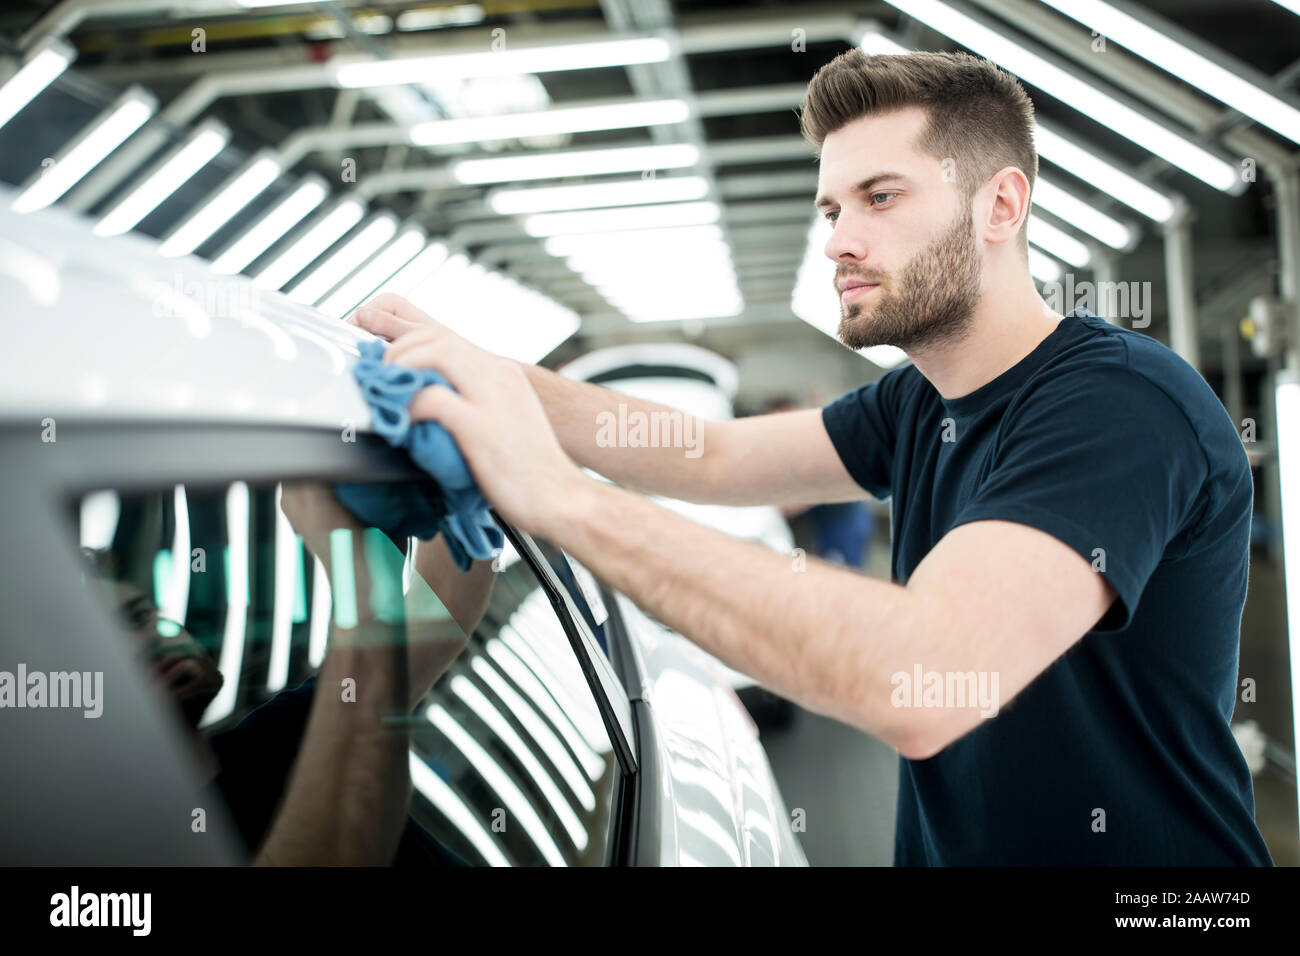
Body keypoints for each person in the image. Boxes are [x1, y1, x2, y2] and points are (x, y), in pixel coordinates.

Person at [347, 50, 1272, 865]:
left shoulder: (1119, 405)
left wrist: (557, 497)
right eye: (830, 207)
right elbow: (706, 454)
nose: (837, 241)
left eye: (881, 197)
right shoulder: (921, 398)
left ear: (1002, 204)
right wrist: (487, 376)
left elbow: (922, 679)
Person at [86, 482, 493, 865]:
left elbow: (439, 614)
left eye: (137, 616)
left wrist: (456, 493)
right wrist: (358, 579)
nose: (138, 645)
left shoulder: (273, 737)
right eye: (104, 649)